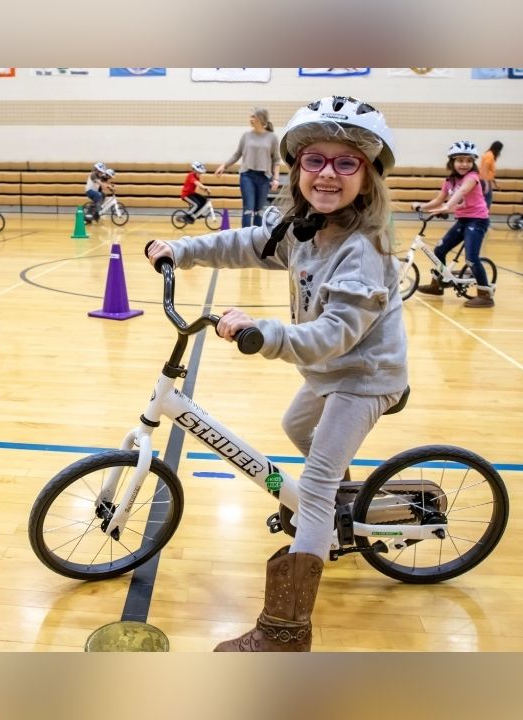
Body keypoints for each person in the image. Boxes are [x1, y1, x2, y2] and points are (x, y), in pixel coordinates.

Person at [146, 95, 408, 652]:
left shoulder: (366, 250)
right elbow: (248, 243)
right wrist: (182, 250)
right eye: (314, 159)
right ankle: (341, 500)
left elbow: (334, 334)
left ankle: (285, 635)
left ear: (370, 175)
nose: (327, 174)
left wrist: (267, 333)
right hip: (327, 373)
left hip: (363, 377)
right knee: (296, 430)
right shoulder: (305, 228)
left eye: (346, 162)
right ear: (296, 169)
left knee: (310, 489)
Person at [414, 141, 495, 308]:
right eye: (460, 160)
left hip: (477, 220)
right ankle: (437, 285)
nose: (464, 164)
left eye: (468, 160)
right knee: (439, 250)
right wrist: (421, 206)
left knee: (471, 259)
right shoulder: (449, 180)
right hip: (463, 220)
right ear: (452, 162)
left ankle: (486, 295)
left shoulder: (472, 177)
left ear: (473, 163)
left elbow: (462, 191)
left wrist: (447, 207)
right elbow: (438, 199)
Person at [214, 107, 282, 228]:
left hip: (264, 177)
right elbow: (237, 154)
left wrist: (276, 178)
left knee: (259, 211)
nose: (250, 119)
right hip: (247, 176)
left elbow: (276, 159)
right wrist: (224, 165)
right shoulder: (246, 136)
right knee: (248, 208)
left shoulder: (272, 138)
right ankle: (244, 238)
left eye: (253, 116)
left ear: (260, 118)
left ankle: (256, 239)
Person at [479, 141, 503, 208]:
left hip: (485, 180)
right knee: (487, 201)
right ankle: (483, 216)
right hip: (484, 180)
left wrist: (495, 183)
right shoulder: (489, 156)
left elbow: (489, 172)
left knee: (486, 200)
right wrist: (486, 184)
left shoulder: (489, 154)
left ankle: (482, 215)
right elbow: (484, 170)